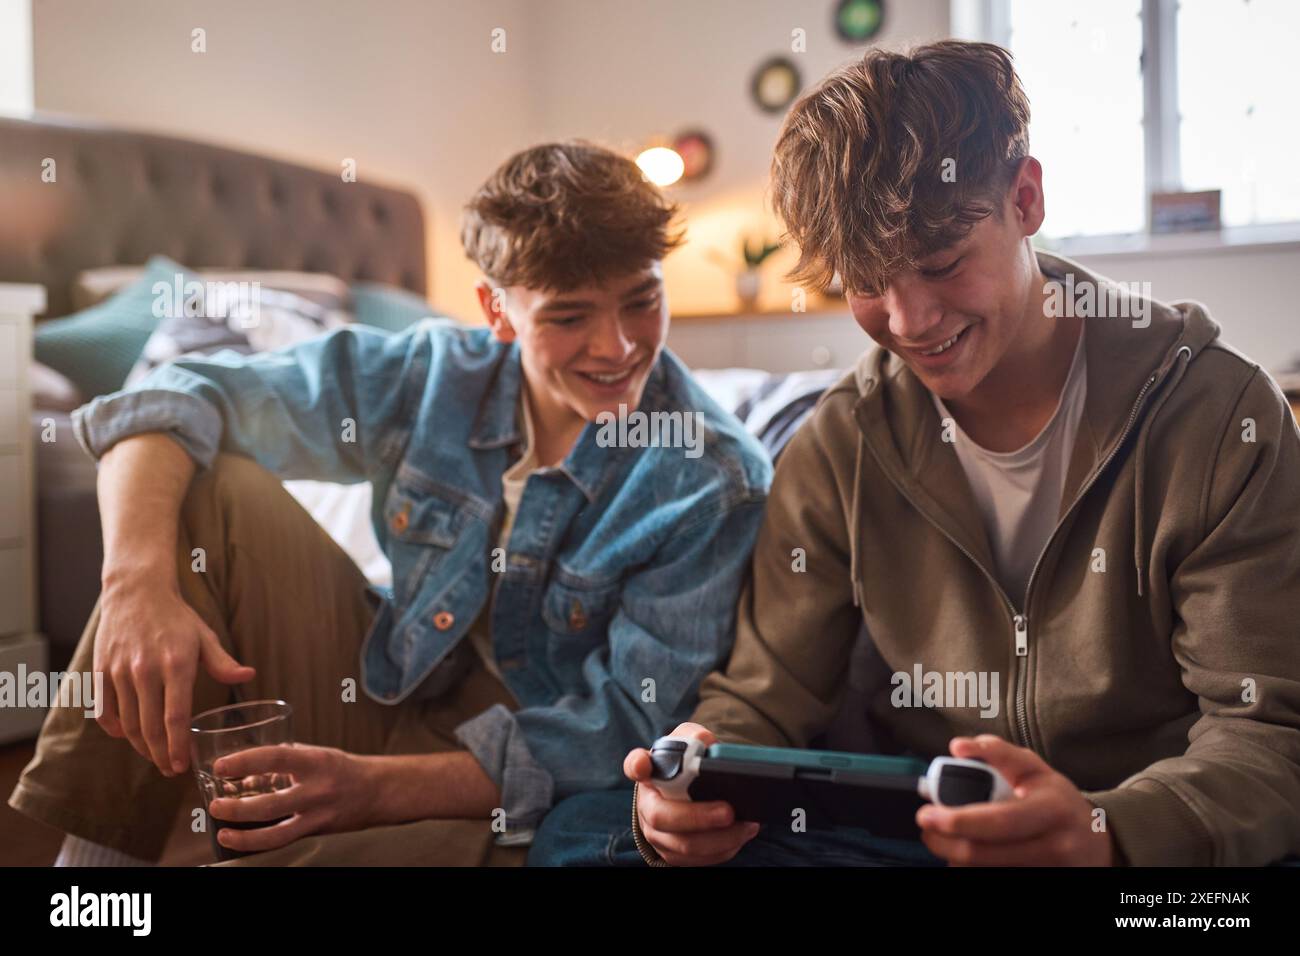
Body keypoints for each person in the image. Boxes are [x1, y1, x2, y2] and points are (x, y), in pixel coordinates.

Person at [529, 41, 1300, 867]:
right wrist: (693, 777)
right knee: (588, 836)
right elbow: (766, 694)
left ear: (1026, 197)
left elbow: (1268, 738)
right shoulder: (840, 442)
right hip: (924, 832)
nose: (908, 322)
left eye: (941, 265)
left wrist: (1104, 835)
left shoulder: (1218, 415)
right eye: (865, 283)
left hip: (1137, 844)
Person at [9, 141, 771, 867]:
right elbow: (175, 393)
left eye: (642, 302)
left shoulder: (711, 478)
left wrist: (366, 790)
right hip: (388, 683)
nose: (619, 348)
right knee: (210, 490)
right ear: (497, 312)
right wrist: (133, 587)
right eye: (569, 318)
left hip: (515, 774)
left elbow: (620, 733)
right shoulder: (431, 372)